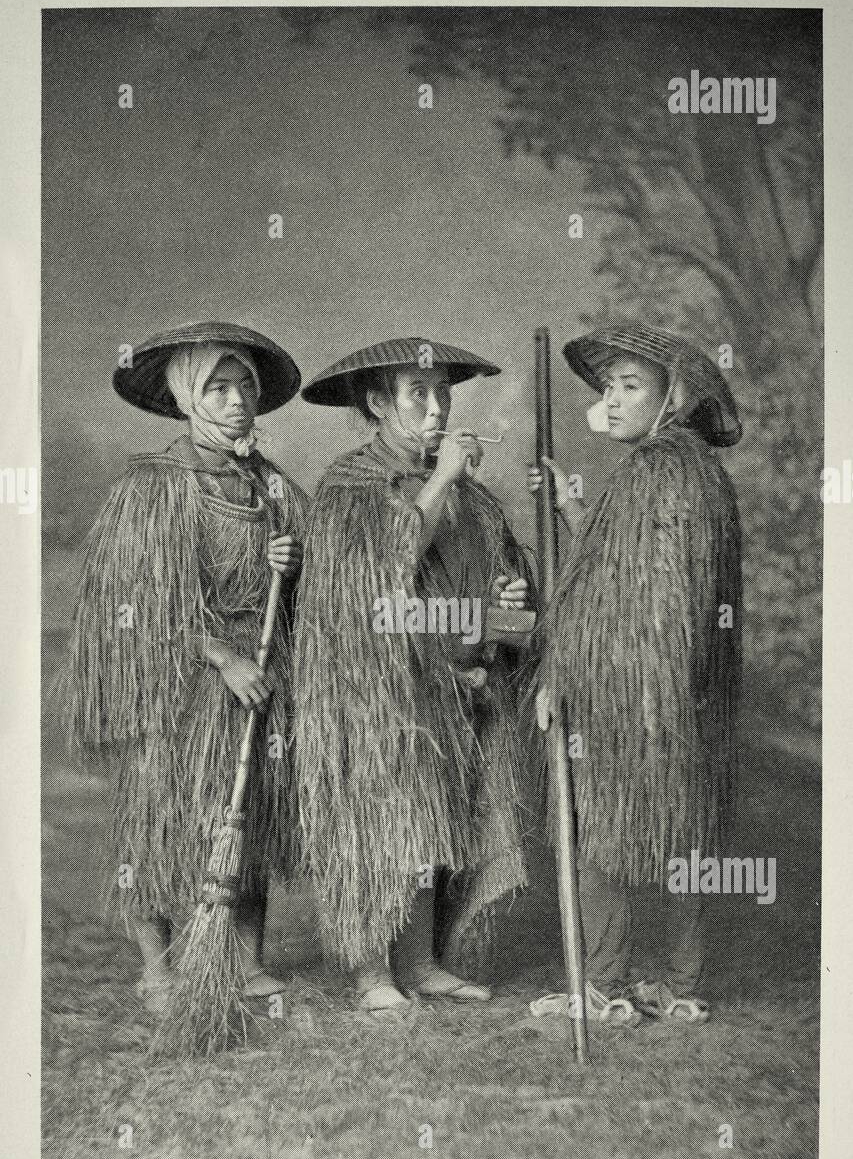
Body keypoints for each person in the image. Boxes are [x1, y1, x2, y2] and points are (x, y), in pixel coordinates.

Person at [65, 321, 308, 1015]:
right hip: (179, 679)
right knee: (161, 819)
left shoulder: (270, 485)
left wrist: (290, 567)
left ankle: (243, 959)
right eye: (218, 388)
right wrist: (221, 657)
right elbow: (133, 600)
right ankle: (159, 970)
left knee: (249, 815)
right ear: (183, 396)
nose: (236, 402)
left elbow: (308, 582)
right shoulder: (154, 485)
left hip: (260, 675)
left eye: (245, 389)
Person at [294, 337, 532, 1013]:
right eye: (417, 396)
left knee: (433, 828)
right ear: (377, 403)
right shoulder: (347, 488)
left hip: (453, 694)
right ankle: (372, 975)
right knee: (378, 830)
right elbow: (383, 572)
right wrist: (442, 479)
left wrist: (504, 614)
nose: (436, 410)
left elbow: (502, 611)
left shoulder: (475, 502)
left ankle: (420, 964)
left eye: (442, 395)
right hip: (374, 697)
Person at [528, 325, 742, 1025]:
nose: (610, 401)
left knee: (603, 829)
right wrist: (573, 511)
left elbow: (629, 596)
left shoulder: (653, 467)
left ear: (671, 397)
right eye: (607, 386)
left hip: (632, 684)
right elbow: (637, 565)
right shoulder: (698, 469)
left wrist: (563, 673)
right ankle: (680, 985)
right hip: (683, 687)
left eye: (629, 387)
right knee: (680, 831)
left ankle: (603, 984)